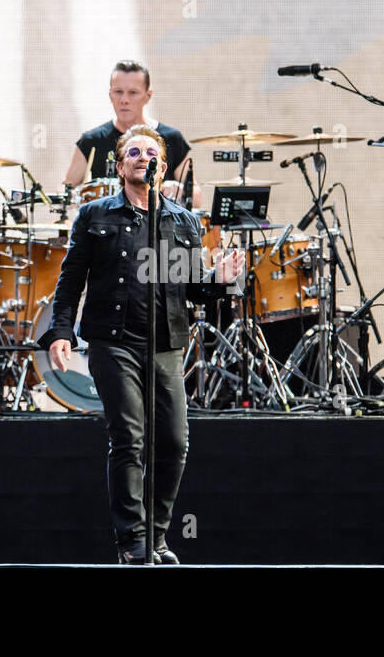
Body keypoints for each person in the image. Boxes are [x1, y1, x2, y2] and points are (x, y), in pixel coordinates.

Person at [40, 125, 245, 563]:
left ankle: (156, 537)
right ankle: (132, 543)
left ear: (161, 166)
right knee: (129, 438)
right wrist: (60, 332)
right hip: (112, 342)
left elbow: (193, 289)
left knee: (173, 442)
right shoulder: (96, 216)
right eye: (132, 151)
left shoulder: (182, 221)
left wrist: (222, 282)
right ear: (120, 166)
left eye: (149, 152)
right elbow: (71, 279)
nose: (140, 157)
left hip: (166, 343)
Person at [62, 60, 202, 207]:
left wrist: (180, 190)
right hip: (105, 226)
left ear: (148, 95)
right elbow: (65, 188)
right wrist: (73, 198)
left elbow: (197, 199)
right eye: (118, 92)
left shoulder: (171, 138)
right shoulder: (92, 140)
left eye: (133, 93)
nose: (124, 100)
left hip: (158, 226)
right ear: (110, 94)